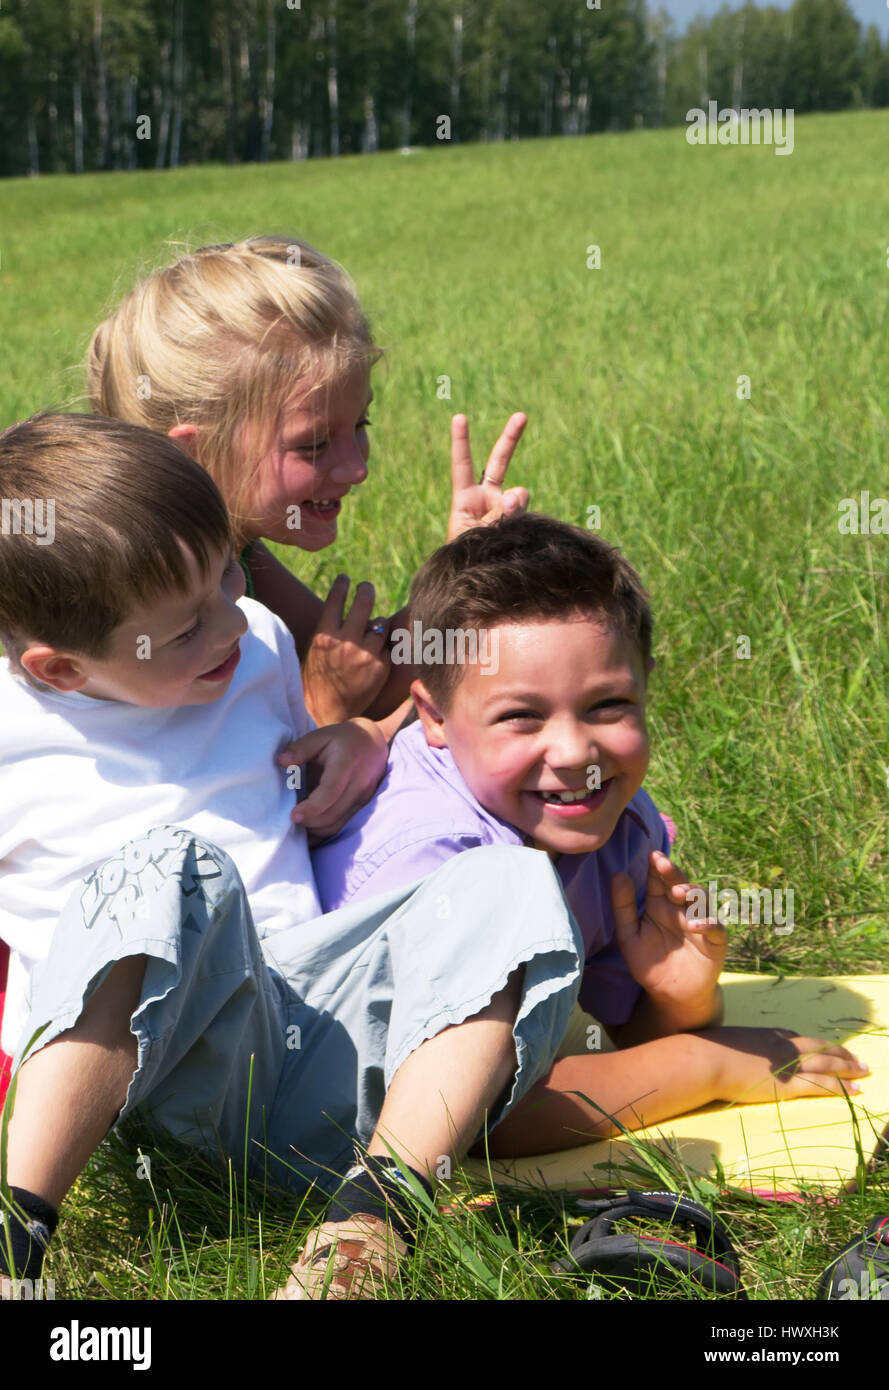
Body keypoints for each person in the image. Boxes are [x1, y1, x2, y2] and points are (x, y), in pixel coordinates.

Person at [0, 414, 592, 1301]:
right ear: (61, 671)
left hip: (319, 1046)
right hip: (150, 1075)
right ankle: (17, 1238)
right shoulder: (15, 733)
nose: (229, 622)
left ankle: (370, 1222)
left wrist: (365, 729)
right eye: (186, 627)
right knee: (168, 867)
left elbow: (327, 753)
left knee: (509, 879)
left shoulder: (256, 649)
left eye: (227, 574)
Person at [311, 512, 870, 1158]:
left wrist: (678, 1000)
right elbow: (473, 1119)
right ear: (433, 718)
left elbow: (617, 1046)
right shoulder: (434, 857)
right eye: (522, 717)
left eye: (607, 706)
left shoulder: (610, 817)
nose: (576, 753)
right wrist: (705, 1063)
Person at [87, 235, 529, 731]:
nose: (357, 469)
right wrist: (322, 709)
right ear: (194, 455)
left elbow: (374, 678)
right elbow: (229, 766)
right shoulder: (147, 597)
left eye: (360, 425)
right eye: (313, 445)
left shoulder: (235, 557)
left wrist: (462, 563)